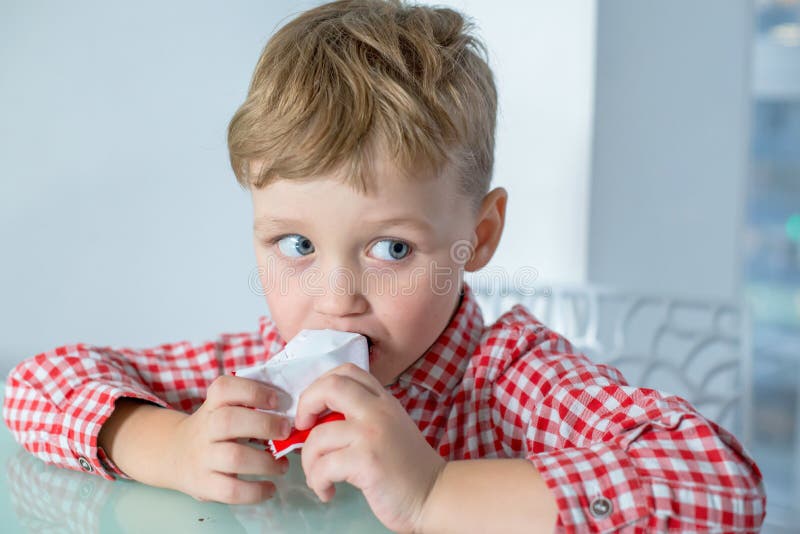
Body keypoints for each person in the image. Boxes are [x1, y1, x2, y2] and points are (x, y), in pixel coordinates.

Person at [3, 0, 766, 531]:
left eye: (392, 248)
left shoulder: (509, 381)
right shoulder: (256, 375)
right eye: (294, 245)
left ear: (480, 232)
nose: (336, 300)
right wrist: (168, 447)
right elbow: (37, 384)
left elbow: (722, 488)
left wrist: (437, 491)